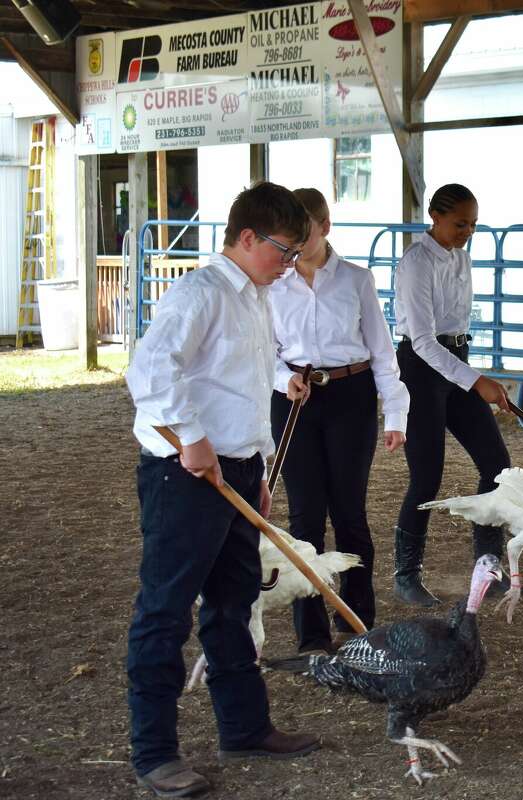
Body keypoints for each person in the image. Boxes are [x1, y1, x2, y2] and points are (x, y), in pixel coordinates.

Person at [125, 181, 321, 798]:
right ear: (246, 237)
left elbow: (247, 385)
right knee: (165, 610)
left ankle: (244, 726)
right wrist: (191, 437)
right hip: (183, 474)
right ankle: (155, 753)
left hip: (234, 470)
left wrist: (257, 469)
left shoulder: (256, 298)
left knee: (234, 604)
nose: (289, 263)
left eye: (294, 253)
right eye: (284, 250)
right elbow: (151, 370)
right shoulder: (201, 292)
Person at [269, 187, 409, 654]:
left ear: (324, 227)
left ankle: (355, 618)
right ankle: (310, 631)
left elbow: (382, 351)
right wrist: (279, 379)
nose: (291, 242)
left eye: (300, 231)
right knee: (304, 516)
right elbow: (263, 350)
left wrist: (396, 412)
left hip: (351, 396)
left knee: (349, 512)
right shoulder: (272, 283)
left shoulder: (356, 279)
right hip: (293, 399)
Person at [391, 183, 513, 607]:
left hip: (455, 359)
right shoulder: (416, 263)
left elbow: (454, 327)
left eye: (474, 224)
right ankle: (407, 574)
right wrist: (476, 380)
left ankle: (488, 563)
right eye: (460, 223)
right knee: (426, 477)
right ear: (435, 217)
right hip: (421, 368)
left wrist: (469, 374)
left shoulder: (461, 257)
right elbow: (423, 341)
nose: (468, 232)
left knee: (496, 463)